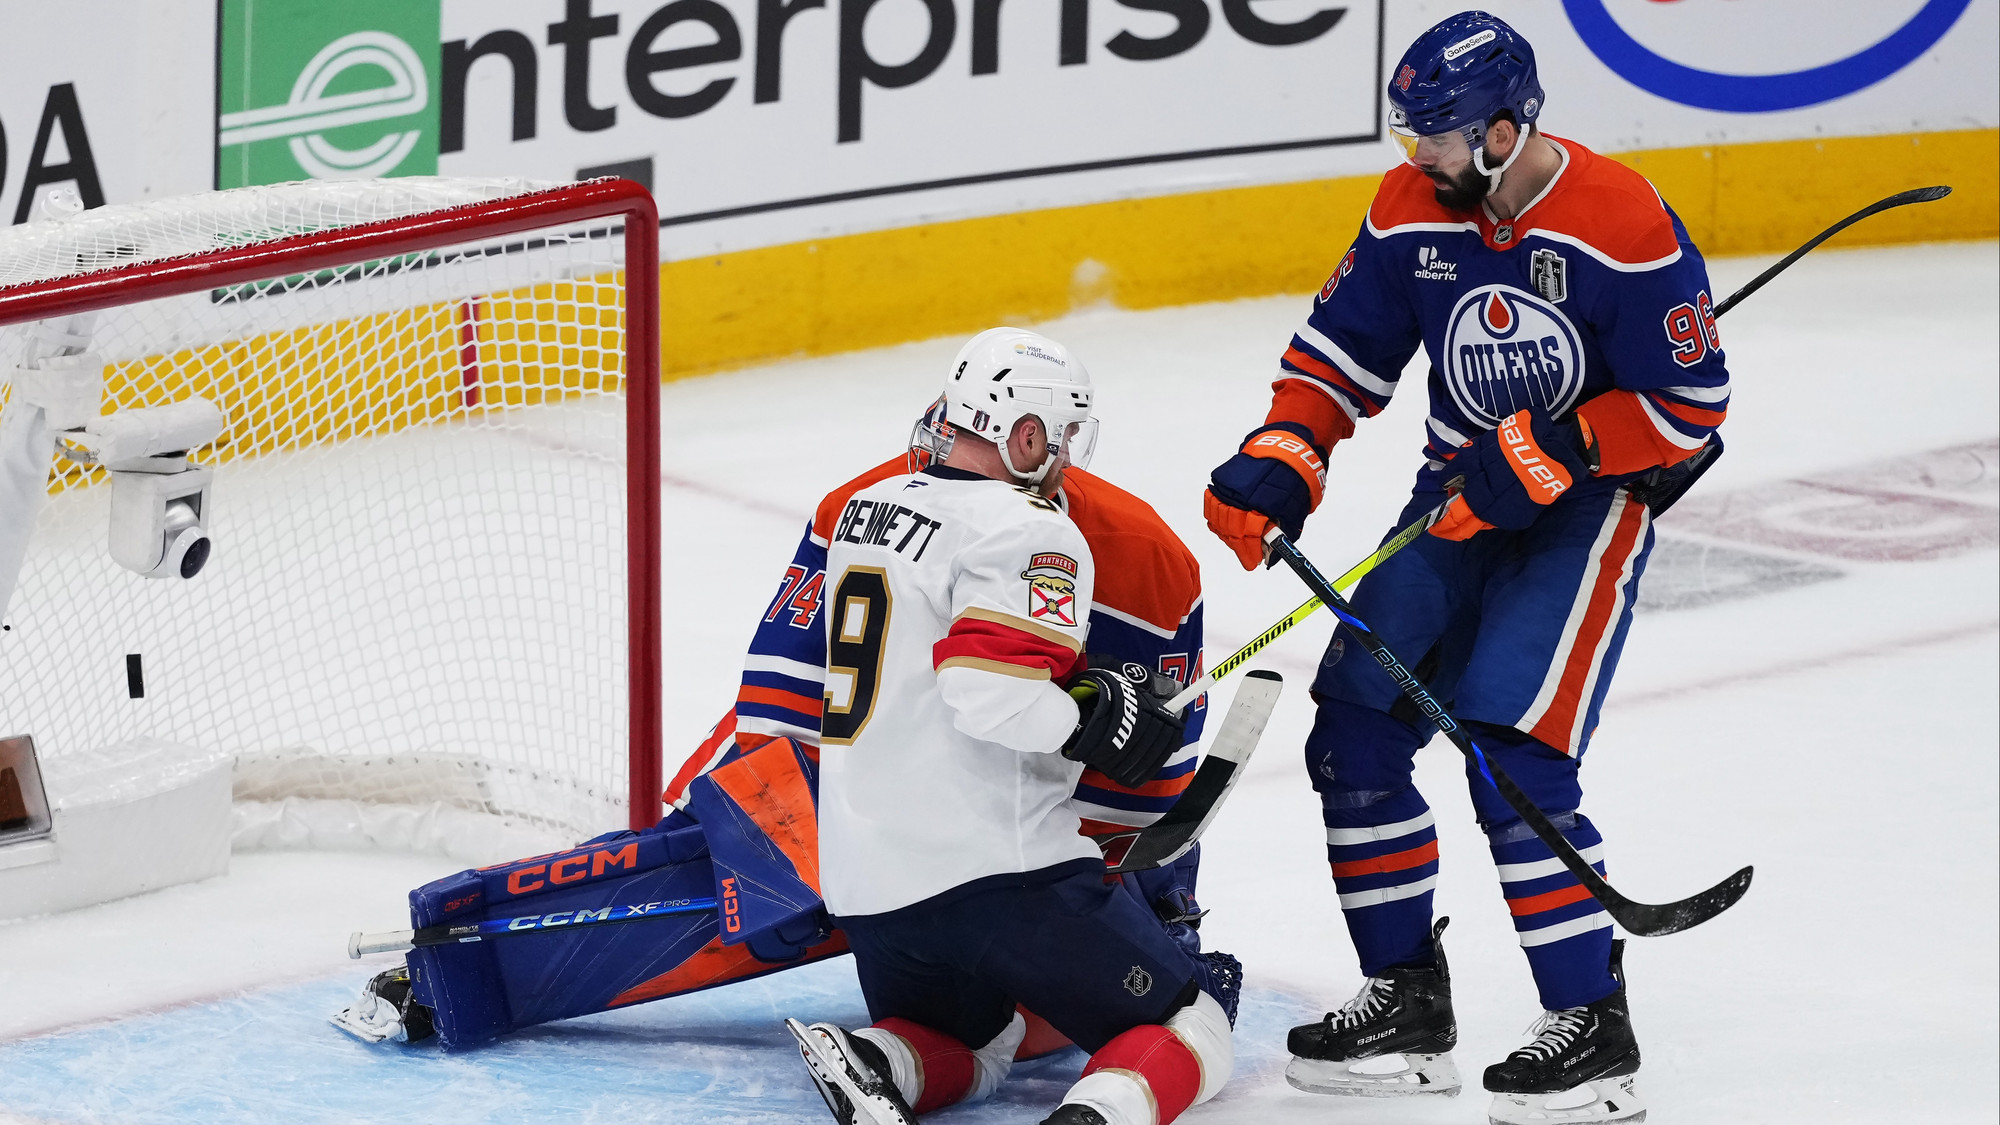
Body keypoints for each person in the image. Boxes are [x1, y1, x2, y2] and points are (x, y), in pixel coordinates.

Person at [1203, 12, 1728, 1125]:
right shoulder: (1406, 211)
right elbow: (1334, 361)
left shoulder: (1620, 220)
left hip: (1583, 519)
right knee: (1351, 731)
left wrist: (1562, 449)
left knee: (1508, 757)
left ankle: (1589, 1030)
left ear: (1504, 129)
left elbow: (1687, 410)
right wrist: (1281, 454)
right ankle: (1402, 1002)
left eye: (1434, 137)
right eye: (1408, 136)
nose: (1414, 157)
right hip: (1453, 500)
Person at [788, 327, 1239, 1125]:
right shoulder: (1030, 528)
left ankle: (877, 1056)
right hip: (1000, 875)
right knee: (1190, 1023)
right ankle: (1098, 1114)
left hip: (868, 883)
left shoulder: (866, 508)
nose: (1066, 455)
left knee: (978, 1040)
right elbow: (986, 692)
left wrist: (1089, 702)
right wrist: (1092, 721)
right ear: (1024, 434)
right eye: (1060, 435)